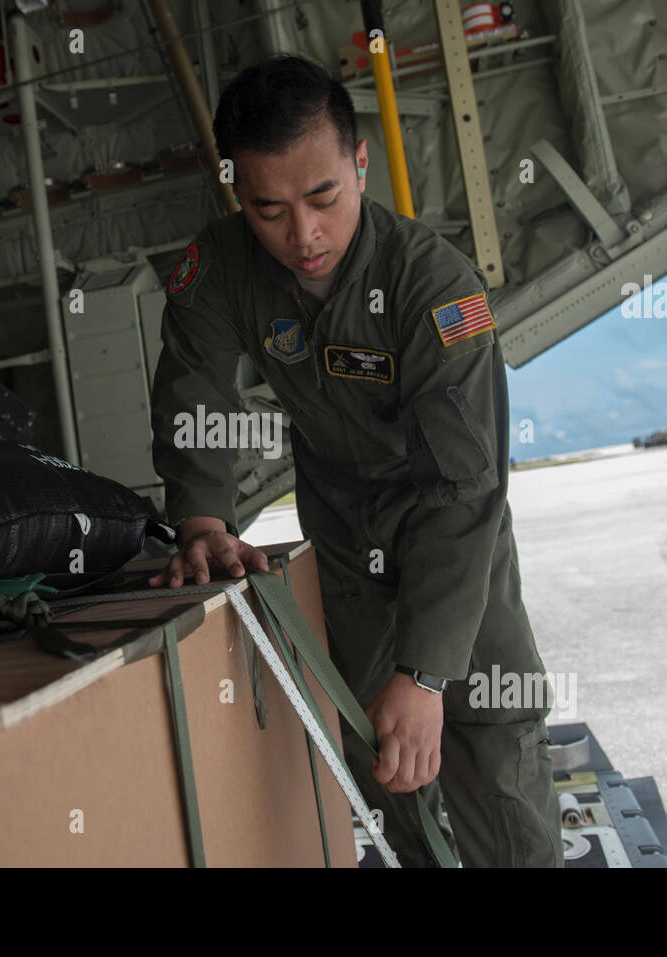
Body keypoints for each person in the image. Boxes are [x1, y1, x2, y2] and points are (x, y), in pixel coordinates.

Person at [146, 54, 562, 868]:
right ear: (239, 194)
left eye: (323, 198)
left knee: (492, 742)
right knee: (382, 748)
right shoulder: (222, 266)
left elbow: (465, 487)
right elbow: (194, 388)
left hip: (453, 532)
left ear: (361, 163)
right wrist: (202, 518)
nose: (302, 234)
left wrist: (430, 673)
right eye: (269, 209)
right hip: (341, 532)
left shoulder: (437, 290)